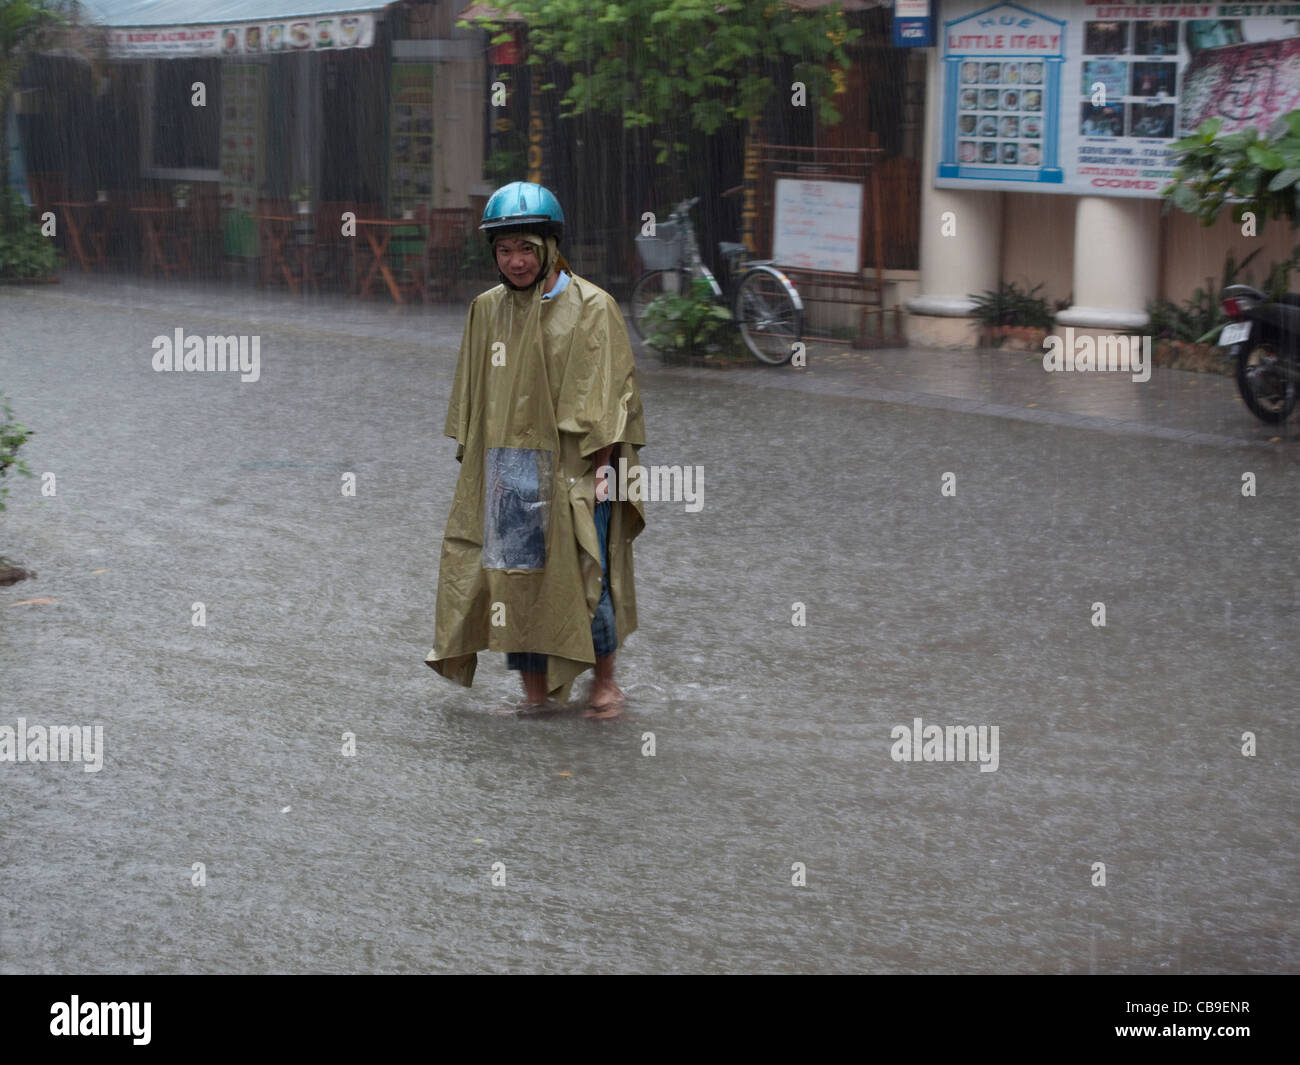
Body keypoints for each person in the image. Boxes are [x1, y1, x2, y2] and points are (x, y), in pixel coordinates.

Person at [425, 182, 647, 714]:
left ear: (549, 246)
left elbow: (612, 397)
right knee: (515, 588)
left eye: (526, 248)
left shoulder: (595, 308)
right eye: (504, 250)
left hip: (577, 469)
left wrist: (602, 473)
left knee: (585, 578)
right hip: (508, 469)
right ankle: (533, 695)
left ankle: (605, 682)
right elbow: (475, 399)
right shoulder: (487, 310)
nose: (516, 261)